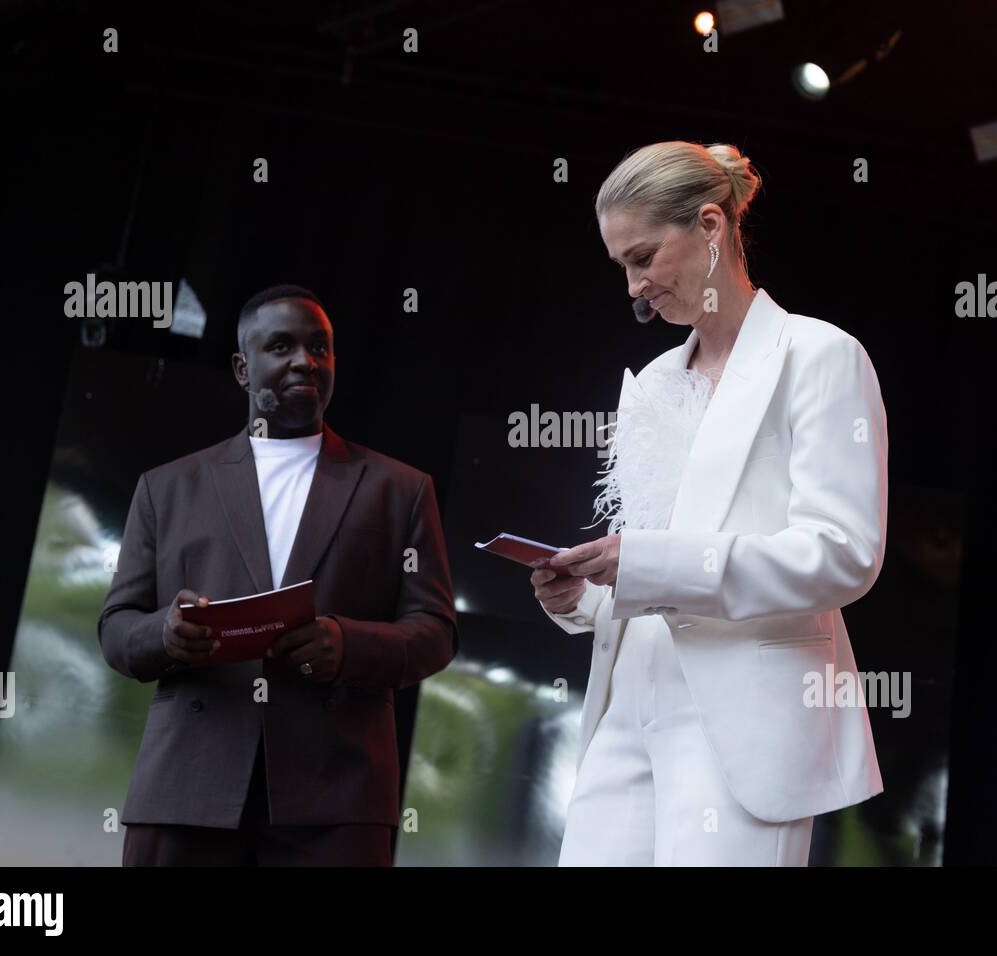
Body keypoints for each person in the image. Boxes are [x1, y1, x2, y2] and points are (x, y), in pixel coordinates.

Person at [531, 141, 888, 866]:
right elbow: (652, 567)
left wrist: (648, 562)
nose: (633, 288)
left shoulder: (817, 355)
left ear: (710, 227)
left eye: (642, 258)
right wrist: (584, 594)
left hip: (749, 717)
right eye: (622, 267)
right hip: (623, 700)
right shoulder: (656, 380)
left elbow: (843, 556)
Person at [100, 284, 457, 866]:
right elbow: (116, 626)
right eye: (282, 346)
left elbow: (437, 632)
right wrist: (164, 635)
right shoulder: (167, 488)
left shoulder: (400, 490)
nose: (305, 361)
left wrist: (348, 644)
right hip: (188, 788)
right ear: (243, 368)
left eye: (321, 348)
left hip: (336, 800)